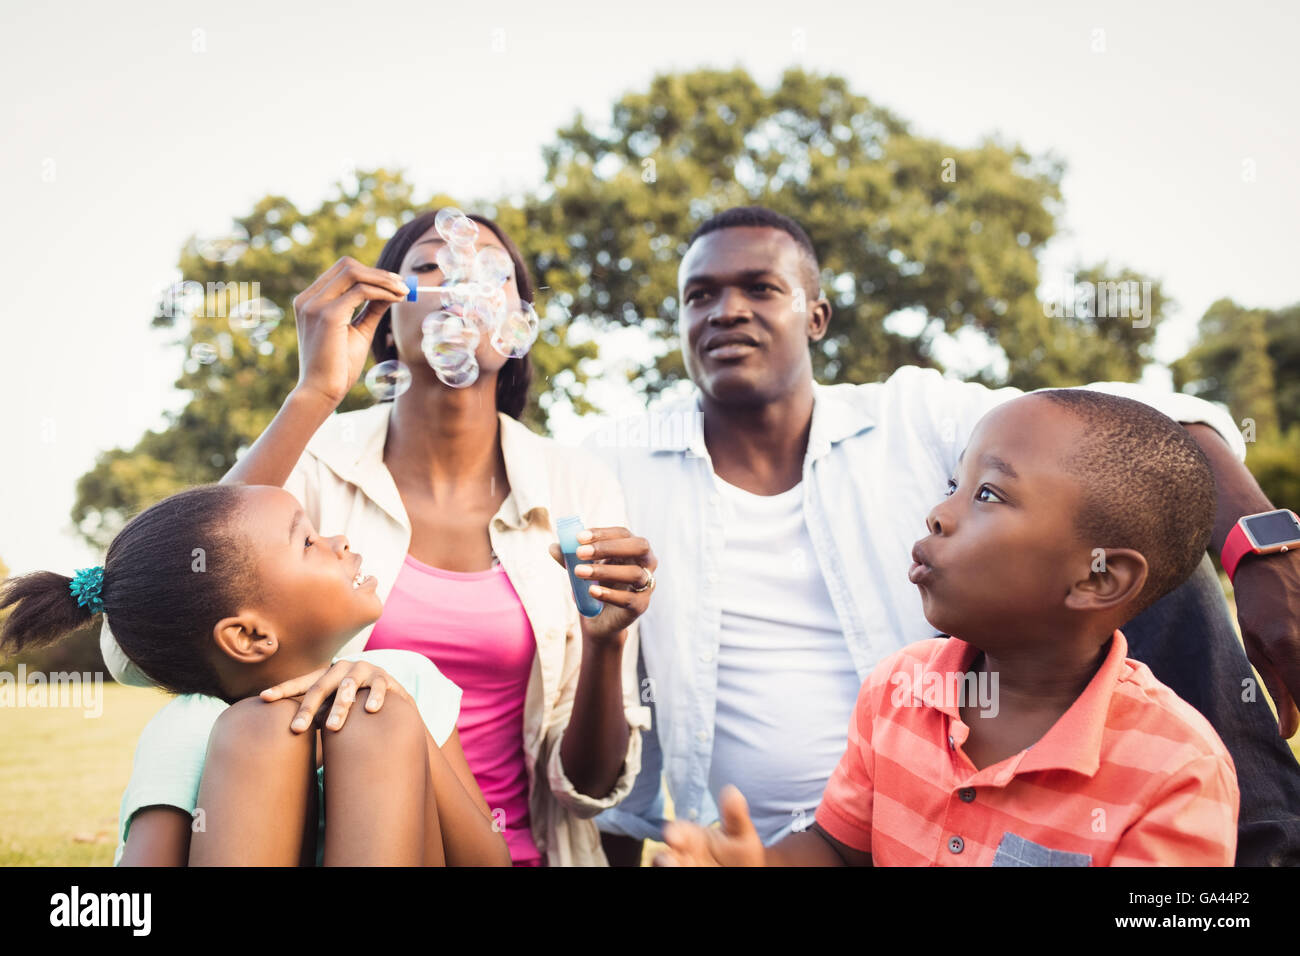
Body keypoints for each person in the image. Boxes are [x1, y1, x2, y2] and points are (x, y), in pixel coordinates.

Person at [590, 205, 1300, 866]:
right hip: (830, 832)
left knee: (1120, 520)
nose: (726, 311)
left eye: (759, 287)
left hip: (960, 778)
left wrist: (1263, 550)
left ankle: (1271, 845)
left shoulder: (911, 414)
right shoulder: (617, 458)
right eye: (699, 295)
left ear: (816, 315)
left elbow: (1124, 433)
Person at [101, 209, 656, 866]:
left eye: (489, 273)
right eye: (430, 265)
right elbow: (135, 645)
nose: (462, 283)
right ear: (387, 317)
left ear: (517, 322)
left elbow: (590, 789)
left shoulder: (576, 484)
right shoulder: (314, 458)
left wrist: (608, 641)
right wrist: (314, 393)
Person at [656, 391, 1239, 866]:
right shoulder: (899, 689)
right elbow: (839, 848)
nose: (939, 514)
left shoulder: (1177, 773)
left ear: (1097, 578)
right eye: (951, 486)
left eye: (988, 493)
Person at [1, 483, 510, 865]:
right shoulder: (190, 728)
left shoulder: (403, 678)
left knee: (377, 714)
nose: (338, 540)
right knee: (260, 728)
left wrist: (409, 720)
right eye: (307, 542)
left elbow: (489, 860)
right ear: (248, 637)